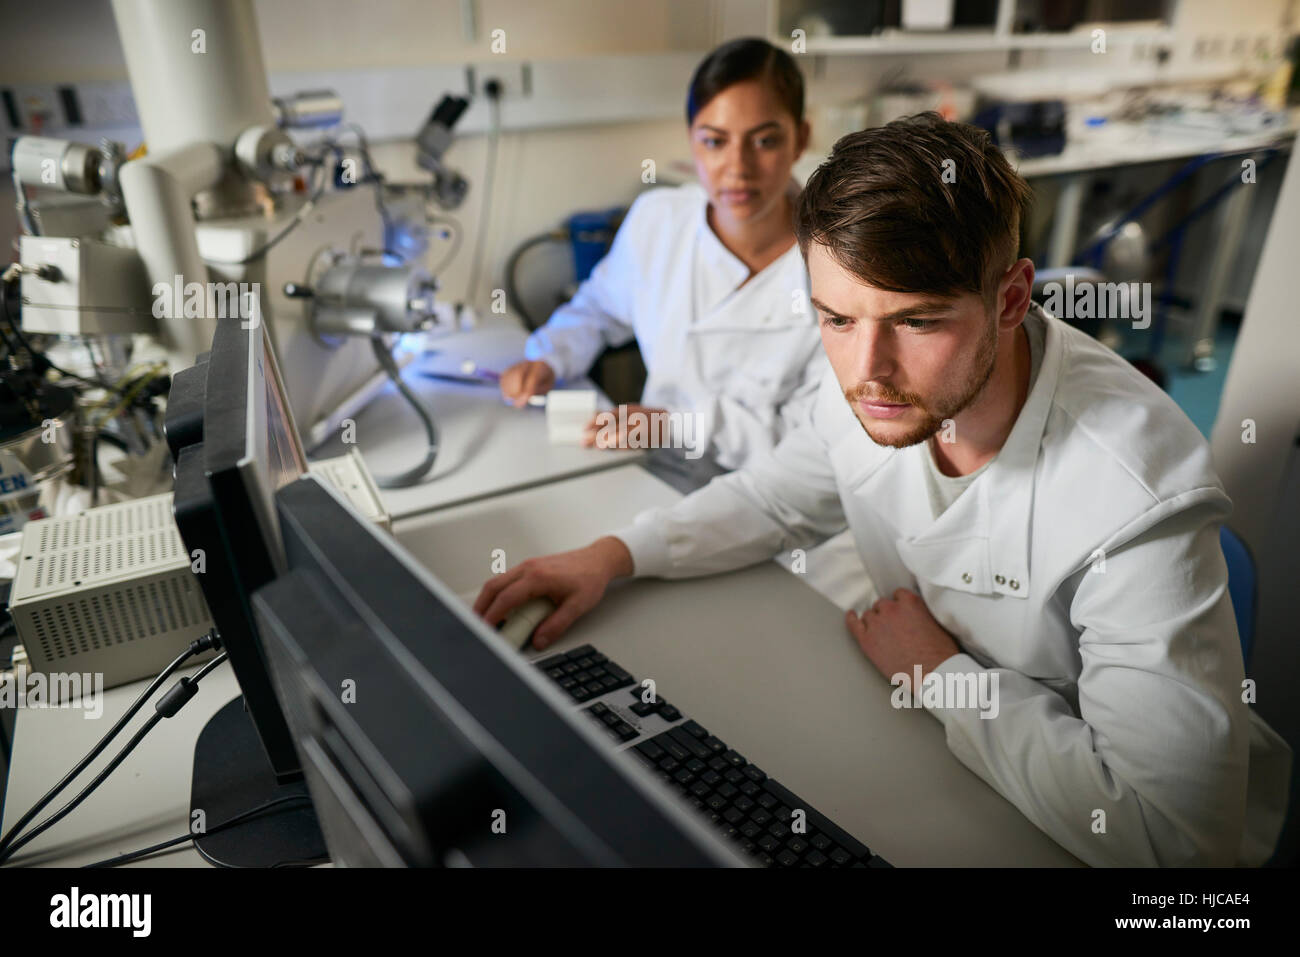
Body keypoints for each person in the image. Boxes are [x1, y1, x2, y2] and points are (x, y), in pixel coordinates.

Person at [475, 113, 1291, 867]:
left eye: (919, 321)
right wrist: (614, 554)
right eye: (835, 319)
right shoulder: (872, 378)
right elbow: (776, 499)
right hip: (942, 754)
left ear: (1010, 298)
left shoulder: (1132, 493)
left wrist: (940, 675)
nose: (865, 373)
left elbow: (1176, 838)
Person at [498, 38, 822, 471]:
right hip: (652, 469)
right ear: (691, 140)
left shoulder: (836, 266)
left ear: (800, 139)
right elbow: (599, 310)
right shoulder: (660, 220)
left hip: (775, 502)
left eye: (764, 141)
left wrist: (673, 425)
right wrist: (548, 357)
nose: (737, 167)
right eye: (714, 141)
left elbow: (814, 440)